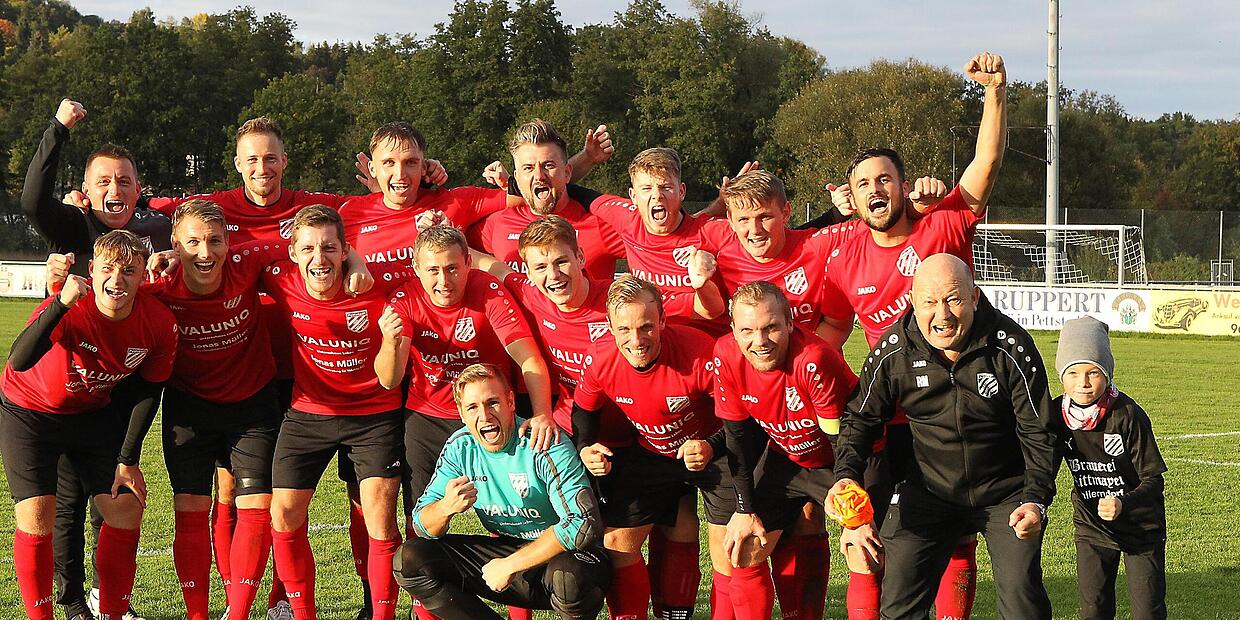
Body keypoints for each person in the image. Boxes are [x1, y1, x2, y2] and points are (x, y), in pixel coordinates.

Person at [815, 51, 1010, 620]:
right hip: (889, 413)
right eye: (864, 183)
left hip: (952, 407)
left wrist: (994, 92)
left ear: (903, 186)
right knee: (865, 534)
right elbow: (832, 329)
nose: (875, 189)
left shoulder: (940, 224)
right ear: (851, 198)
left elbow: (985, 165)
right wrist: (801, 376)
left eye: (884, 179)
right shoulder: (843, 255)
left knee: (957, 534)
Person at [828, 253, 1057, 619]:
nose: (942, 315)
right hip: (928, 490)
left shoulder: (1010, 346)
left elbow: (1038, 429)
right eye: (929, 302)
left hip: (1004, 494)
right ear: (912, 302)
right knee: (898, 603)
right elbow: (860, 418)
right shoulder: (895, 350)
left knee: (1023, 604)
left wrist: (1035, 500)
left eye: (953, 299)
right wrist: (845, 477)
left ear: (974, 297)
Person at [20, 99, 171, 620]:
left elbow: (211, 223)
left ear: (138, 187)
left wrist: (175, 256)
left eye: (124, 181)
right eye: (104, 181)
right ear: (85, 190)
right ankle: (70, 600)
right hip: (69, 385)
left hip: (125, 385)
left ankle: (109, 602)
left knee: (115, 495)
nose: (115, 189)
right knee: (67, 502)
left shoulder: (158, 230)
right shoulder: (73, 227)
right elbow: (33, 198)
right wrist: (58, 129)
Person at [1, 230, 177, 620]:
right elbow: (19, 360)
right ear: (92, 270)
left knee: (125, 506)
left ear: (142, 275)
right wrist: (59, 303)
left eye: (129, 271)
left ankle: (111, 612)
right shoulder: (70, 307)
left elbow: (151, 390)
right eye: (108, 269)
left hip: (90, 414)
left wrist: (128, 459)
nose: (117, 280)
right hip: (29, 412)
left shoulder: (158, 321)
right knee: (38, 515)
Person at [260, 205, 414, 620]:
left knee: (379, 521)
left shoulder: (379, 287)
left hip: (374, 416)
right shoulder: (281, 279)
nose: (319, 258)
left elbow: (429, 269)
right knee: (283, 513)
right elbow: (236, 256)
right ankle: (301, 614)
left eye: (329, 248)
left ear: (345, 250)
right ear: (293, 253)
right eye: (308, 248)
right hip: (308, 413)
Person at [571, 275, 735, 620]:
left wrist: (711, 445)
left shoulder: (699, 351)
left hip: (716, 451)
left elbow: (738, 419)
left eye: (646, 326)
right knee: (618, 542)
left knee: (728, 551)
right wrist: (585, 446)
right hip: (654, 452)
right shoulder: (600, 358)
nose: (636, 340)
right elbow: (584, 410)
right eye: (624, 329)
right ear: (610, 328)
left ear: (662, 320)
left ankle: (683, 615)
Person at [393, 363, 611, 620]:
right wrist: (445, 508)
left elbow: (582, 525)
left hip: (566, 558)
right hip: (509, 553)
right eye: (473, 407)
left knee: (568, 578)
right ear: (461, 413)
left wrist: (510, 565)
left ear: (511, 402)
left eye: (493, 403)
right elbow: (421, 525)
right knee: (410, 560)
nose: (484, 416)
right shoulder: (460, 448)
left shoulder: (544, 443)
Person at [714, 282, 858, 620]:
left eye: (771, 328)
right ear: (733, 330)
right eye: (747, 330)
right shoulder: (725, 354)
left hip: (842, 458)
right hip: (787, 458)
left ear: (791, 323)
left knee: (864, 547)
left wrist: (852, 500)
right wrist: (745, 509)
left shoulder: (813, 358)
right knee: (746, 544)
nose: (759, 341)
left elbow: (840, 439)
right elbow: (737, 439)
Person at [1052, 316, 1167, 620]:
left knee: (1147, 612)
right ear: (1061, 375)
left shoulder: (1127, 414)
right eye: (1073, 372)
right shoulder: (1055, 414)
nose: (1083, 382)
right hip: (1092, 525)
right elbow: (1041, 465)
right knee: (1094, 609)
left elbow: (1154, 480)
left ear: (1107, 372)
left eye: (1093, 372)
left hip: (1141, 527)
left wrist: (1122, 502)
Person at [467, 119, 626, 278]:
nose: (539, 176)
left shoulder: (600, 226)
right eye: (528, 168)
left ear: (567, 173)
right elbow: (459, 251)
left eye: (548, 165)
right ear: (516, 178)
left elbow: (642, 240)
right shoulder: (497, 224)